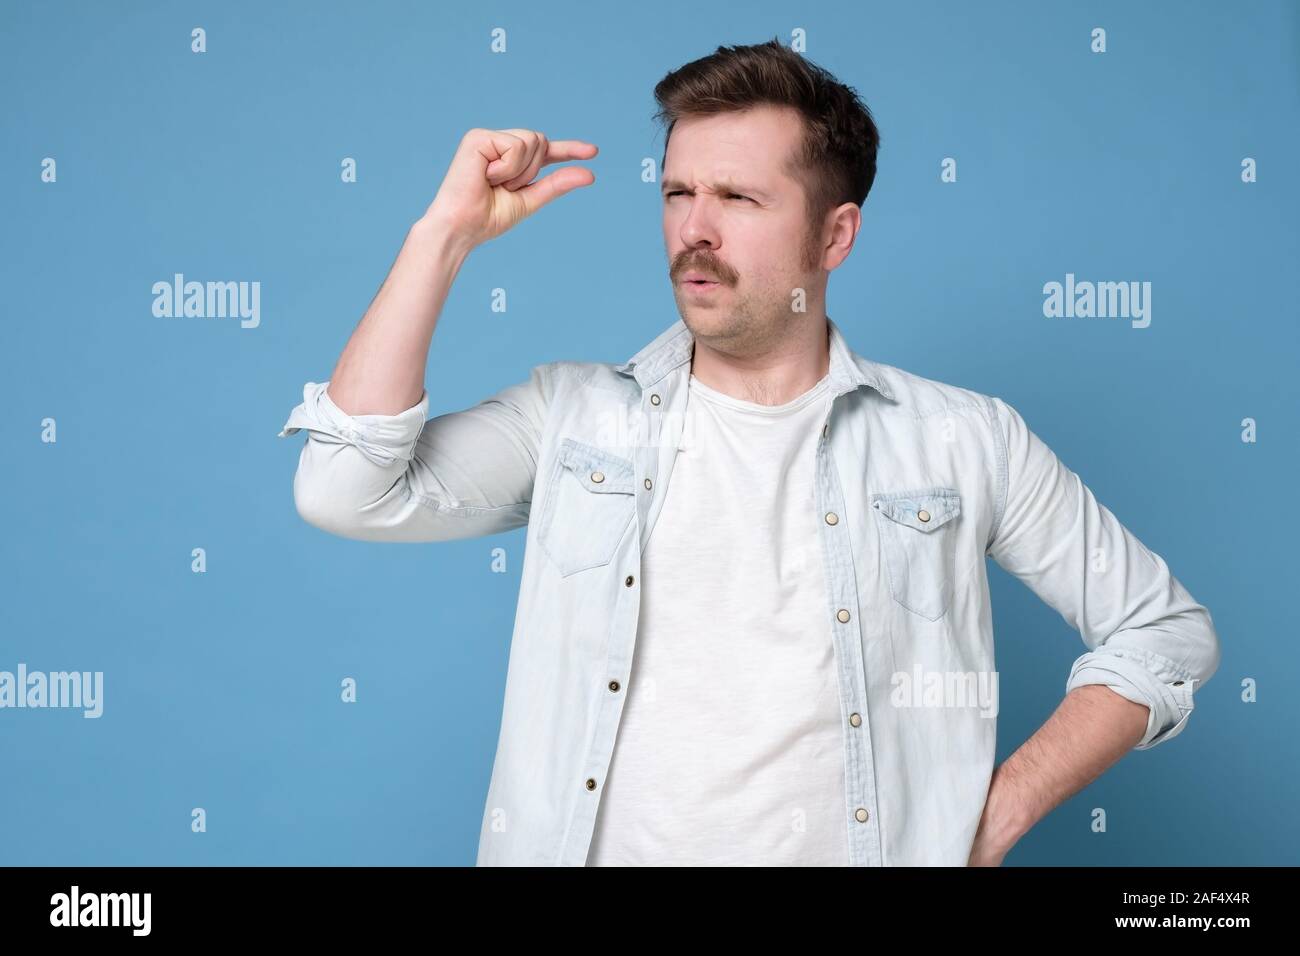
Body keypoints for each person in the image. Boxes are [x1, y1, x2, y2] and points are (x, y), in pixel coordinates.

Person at [278, 40, 1220, 866]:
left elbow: (1164, 634)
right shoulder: (571, 421)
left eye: (738, 196)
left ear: (834, 234)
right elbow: (343, 490)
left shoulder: (962, 440)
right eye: (679, 192)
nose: (696, 227)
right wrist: (442, 237)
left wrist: (996, 811)